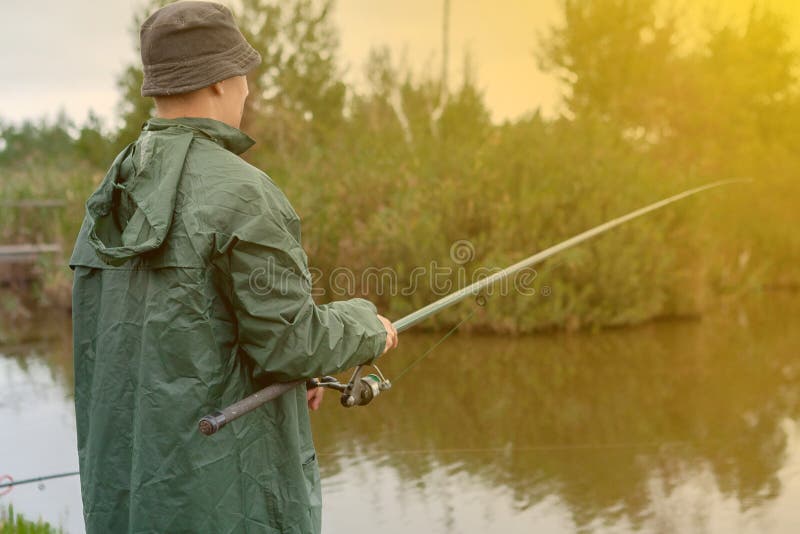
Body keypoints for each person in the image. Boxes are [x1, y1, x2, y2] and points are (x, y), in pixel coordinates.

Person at [69, 2, 398, 532]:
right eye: (244, 75)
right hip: (226, 506)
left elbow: (166, 343)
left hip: (128, 503)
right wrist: (366, 327)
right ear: (221, 81)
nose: (248, 89)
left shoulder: (111, 194)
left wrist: (296, 373)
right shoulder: (245, 194)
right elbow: (292, 340)